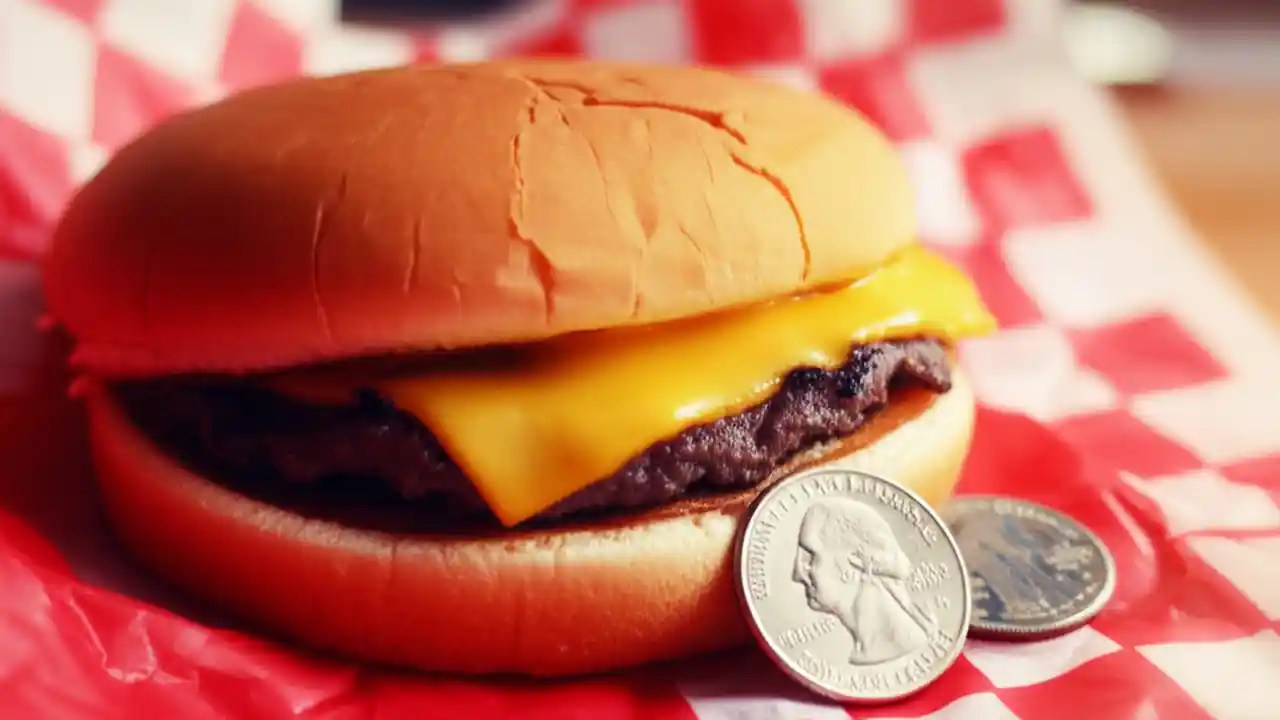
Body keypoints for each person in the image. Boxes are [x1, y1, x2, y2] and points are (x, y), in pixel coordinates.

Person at [792, 498, 931, 664]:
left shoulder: (902, 642)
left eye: (811, 558)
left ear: (853, 564)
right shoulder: (865, 649)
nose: (798, 575)